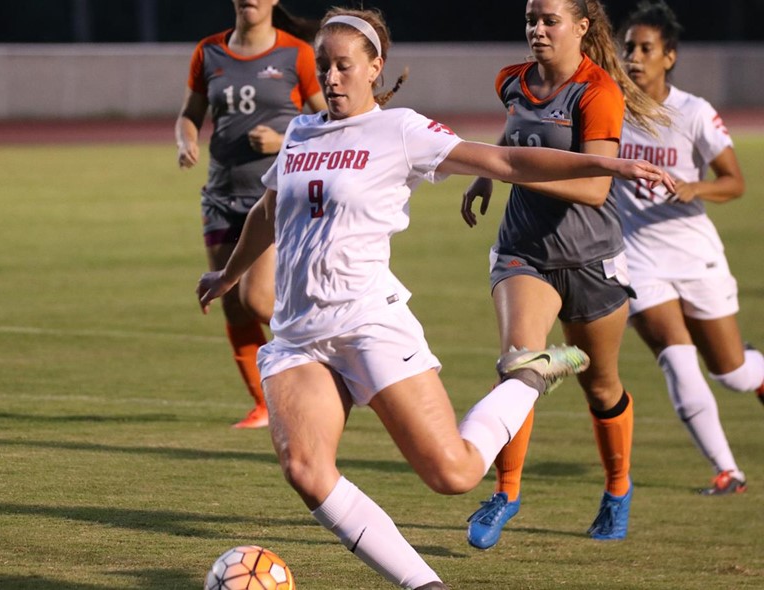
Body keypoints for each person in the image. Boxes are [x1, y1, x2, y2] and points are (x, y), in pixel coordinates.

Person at [198, 7, 672, 588]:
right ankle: (425, 584)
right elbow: (269, 210)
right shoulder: (301, 131)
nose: (331, 78)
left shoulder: (401, 130)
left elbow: (505, 160)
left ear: (375, 67)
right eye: (323, 66)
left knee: (455, 474)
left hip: (370, 323)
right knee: (306, 470)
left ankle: (530, 377)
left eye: (344, 66)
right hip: (300, 335)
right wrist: (228, 274)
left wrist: (608, 162)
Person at [459, 0, 670, 548]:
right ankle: (505, 493)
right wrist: (488, 176)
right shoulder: (511, 80)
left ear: (581, 26)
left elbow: (594, 188)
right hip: (523, 253)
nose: (536, 29)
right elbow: (514, 142)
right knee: (518, 367)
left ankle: (617, 490)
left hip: (592, 258)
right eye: (531, 18)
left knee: (601, 387)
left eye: (549, 19)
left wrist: (512, 174)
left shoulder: (597, 91)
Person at [615, 0, 762, 496]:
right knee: (677, 362)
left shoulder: (694, 112)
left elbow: (734, 182)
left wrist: (693, 187)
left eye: (645, 48)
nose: (634, 56)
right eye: (629, 47)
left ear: (669, 56)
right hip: (636, 257)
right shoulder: (609, 108)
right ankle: (728, 471)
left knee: (733, 374)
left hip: (694, 253)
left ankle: (754, 367)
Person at [177, 0, 326, 429]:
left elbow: (324, 120)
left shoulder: (295, 53)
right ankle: (265, 405)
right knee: (233, 306)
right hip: (222, 196)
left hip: (276, 197)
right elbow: (190, 115)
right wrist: (185, 140)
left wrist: (281, 140)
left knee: (256, 297)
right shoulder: (208, 52)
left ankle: (328, 348)